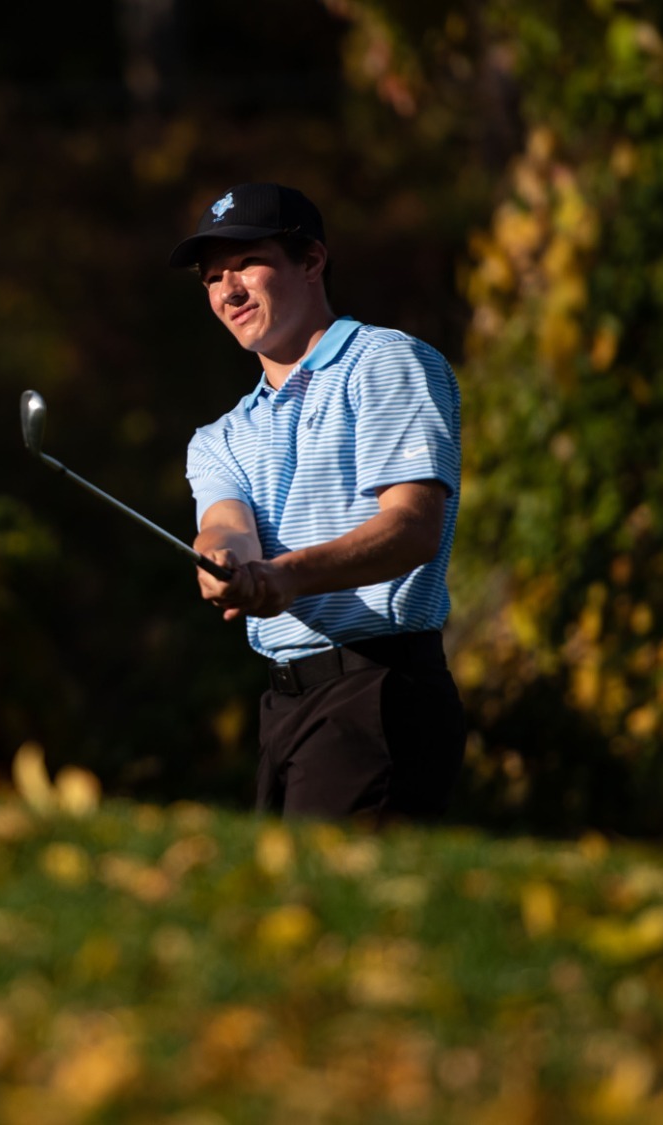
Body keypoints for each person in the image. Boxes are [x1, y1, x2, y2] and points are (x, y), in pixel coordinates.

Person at [171, 182, 466, 822]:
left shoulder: (385, 363)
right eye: (213, 277)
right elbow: (227, 527)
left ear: (311, 262)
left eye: (247, 263)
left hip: (380, 689)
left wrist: (289, 575)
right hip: (283, 706)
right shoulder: (219, 437)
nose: (229, 290)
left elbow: (413, 527)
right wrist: (222, 566)